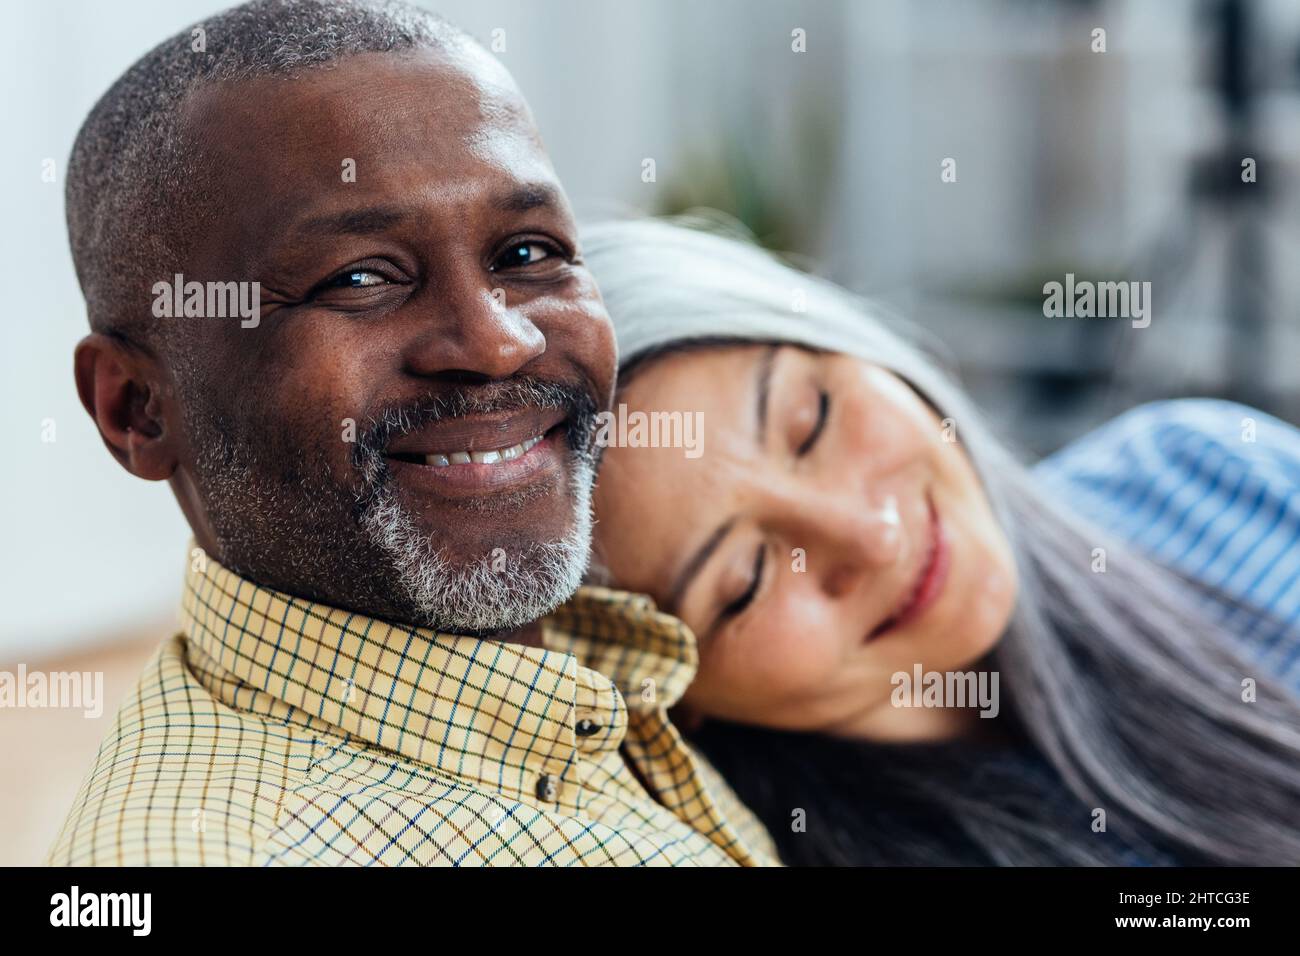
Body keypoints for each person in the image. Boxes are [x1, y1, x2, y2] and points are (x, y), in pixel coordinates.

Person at [48, 1, 778, 867]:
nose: (500, 341)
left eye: (525, 254)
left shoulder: (641, 659)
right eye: (359, 278)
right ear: (137, 408)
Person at [581, 216, 1300, 866]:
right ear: (674, 695)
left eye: (813, 421)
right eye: (747, 580)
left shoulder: (1199, 471)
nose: (875, 537)